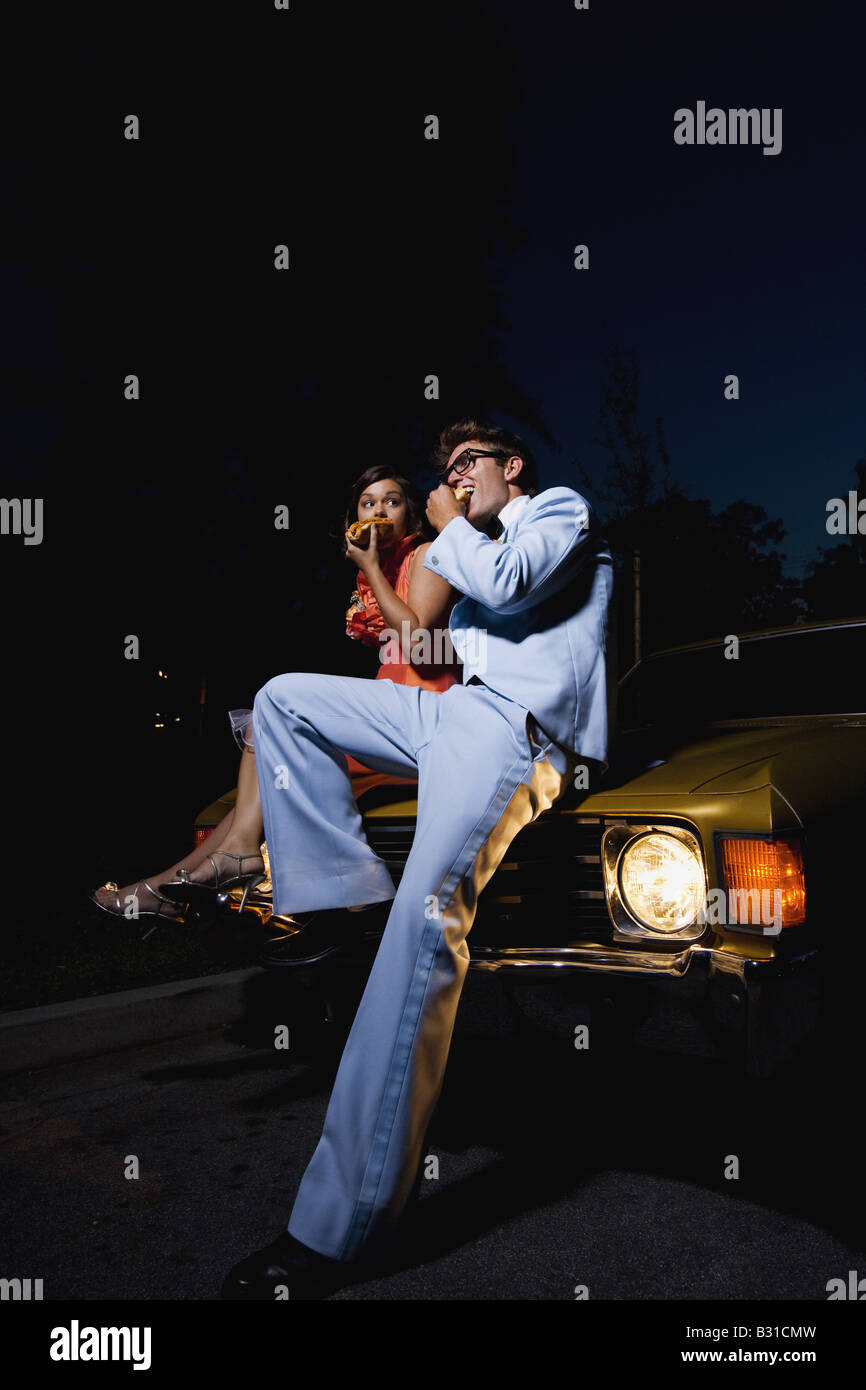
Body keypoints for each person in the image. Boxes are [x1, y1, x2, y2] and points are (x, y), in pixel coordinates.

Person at [221, 419, 614, 1299]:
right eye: (445, 470)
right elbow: (432, 651)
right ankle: (342, 900)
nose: (452, 478)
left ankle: (336, 1230)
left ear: (509, 468)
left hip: (519, 736)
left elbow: (509, 583)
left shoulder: (556, 513)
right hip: (450, 716)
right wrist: (391, 572)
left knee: (423, 932)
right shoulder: (465, 547)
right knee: (283, 701)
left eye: (466, 466)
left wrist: (445, 527)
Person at [89, 468, 460, 925]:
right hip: (384, 714)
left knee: (271, 731)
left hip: (423, 715)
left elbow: (420, 646)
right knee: (268, 748)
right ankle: (174, 883)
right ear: (354, 519)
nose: (379, 510)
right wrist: (371, 573)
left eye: (392, 501)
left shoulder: (425, 554)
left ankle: (184, 880)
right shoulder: (379, 575)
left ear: (411, 516)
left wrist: (368, 569)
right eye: (368, 503)